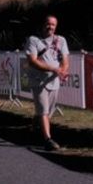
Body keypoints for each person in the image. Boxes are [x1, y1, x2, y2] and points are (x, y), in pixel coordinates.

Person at [24, 15, 69, 151]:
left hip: (54, 81)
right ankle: (47, 140)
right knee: (43, 109)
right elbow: (32, 60)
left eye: (53, 24)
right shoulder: (33, 40)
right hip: (38, 81)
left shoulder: (61, 40)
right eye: (48, 24)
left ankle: (34, 128)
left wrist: (63, 71)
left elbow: (65, 59)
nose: (50, 27)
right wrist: (53, 68)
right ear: (43, 24)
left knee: (48, 111)